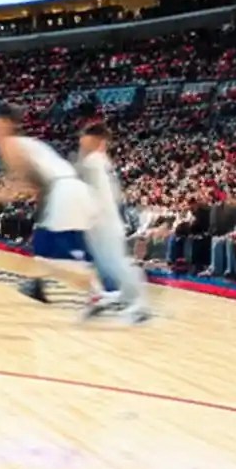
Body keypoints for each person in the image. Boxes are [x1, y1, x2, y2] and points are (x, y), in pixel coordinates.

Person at [0, 104, 102, 306]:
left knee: (53, 255)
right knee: (47, 248)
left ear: (6, 124)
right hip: (71, 190)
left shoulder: (10, 145)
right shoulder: (25, 144)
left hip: (63, 190)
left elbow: (24, 182)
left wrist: (1, 195)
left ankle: (100, 291)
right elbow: (35, 183)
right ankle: (40, 286)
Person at [76, 123, 150, 324]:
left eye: (85, 137)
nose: (81, 141)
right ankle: (103, 298)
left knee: (116, 266)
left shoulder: (92, 161)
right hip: (103, 222)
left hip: (102, 222)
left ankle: (139, 305)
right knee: (102, 265)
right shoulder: (102, 161)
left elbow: (94, 195)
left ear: (96, 140)